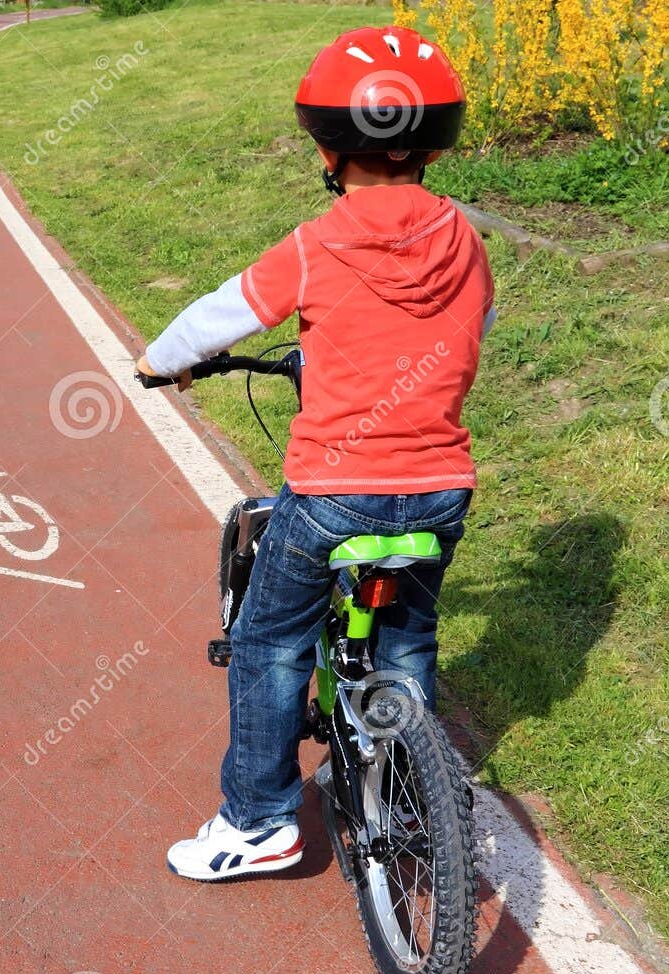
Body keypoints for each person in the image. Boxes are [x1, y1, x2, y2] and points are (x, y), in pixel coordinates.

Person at [135, 25, 496, 881]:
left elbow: (221, 315)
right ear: (431, 145)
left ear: (329, 149)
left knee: (269, 642)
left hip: (338, 492)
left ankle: (258, 819)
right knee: (408, 639)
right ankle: (408, 787)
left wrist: (160, 361)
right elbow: (469, 333)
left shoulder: (315, 244)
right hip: (442, 487)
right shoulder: (466, 242)